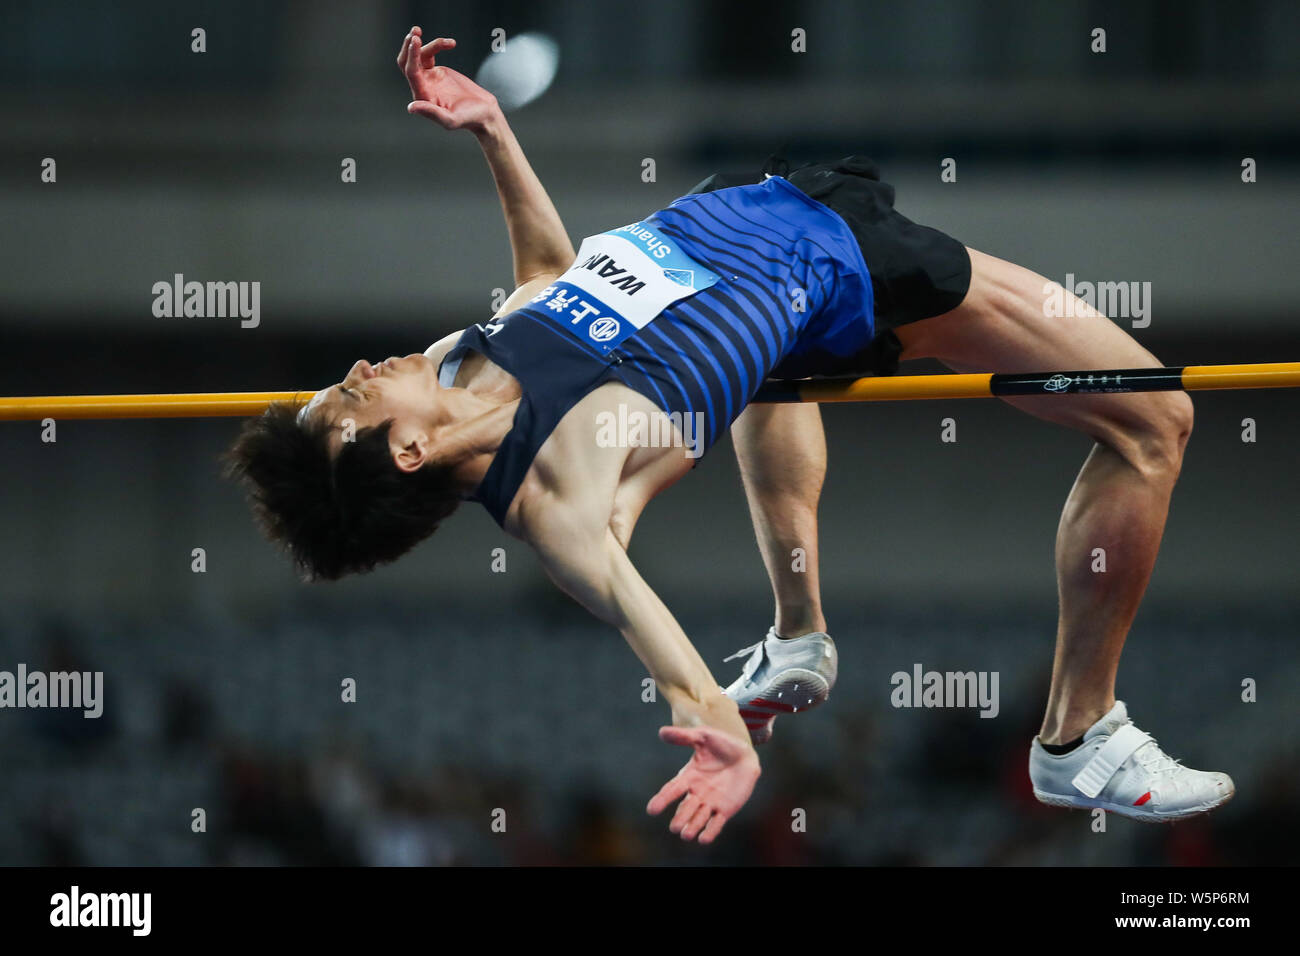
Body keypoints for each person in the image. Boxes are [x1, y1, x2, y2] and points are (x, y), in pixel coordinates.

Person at [225, 27, 1233, 844]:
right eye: (347, 404)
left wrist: (494, 132)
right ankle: (1077, 734)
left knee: (769, 376)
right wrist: (722, 738)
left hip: (743, 212)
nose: (356, 373)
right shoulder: (559, 507)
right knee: (1155, 419)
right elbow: (670, 659)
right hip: (847, 268)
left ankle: (799, 637)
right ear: (402, 454)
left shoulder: (456, 359)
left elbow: (548, 277)